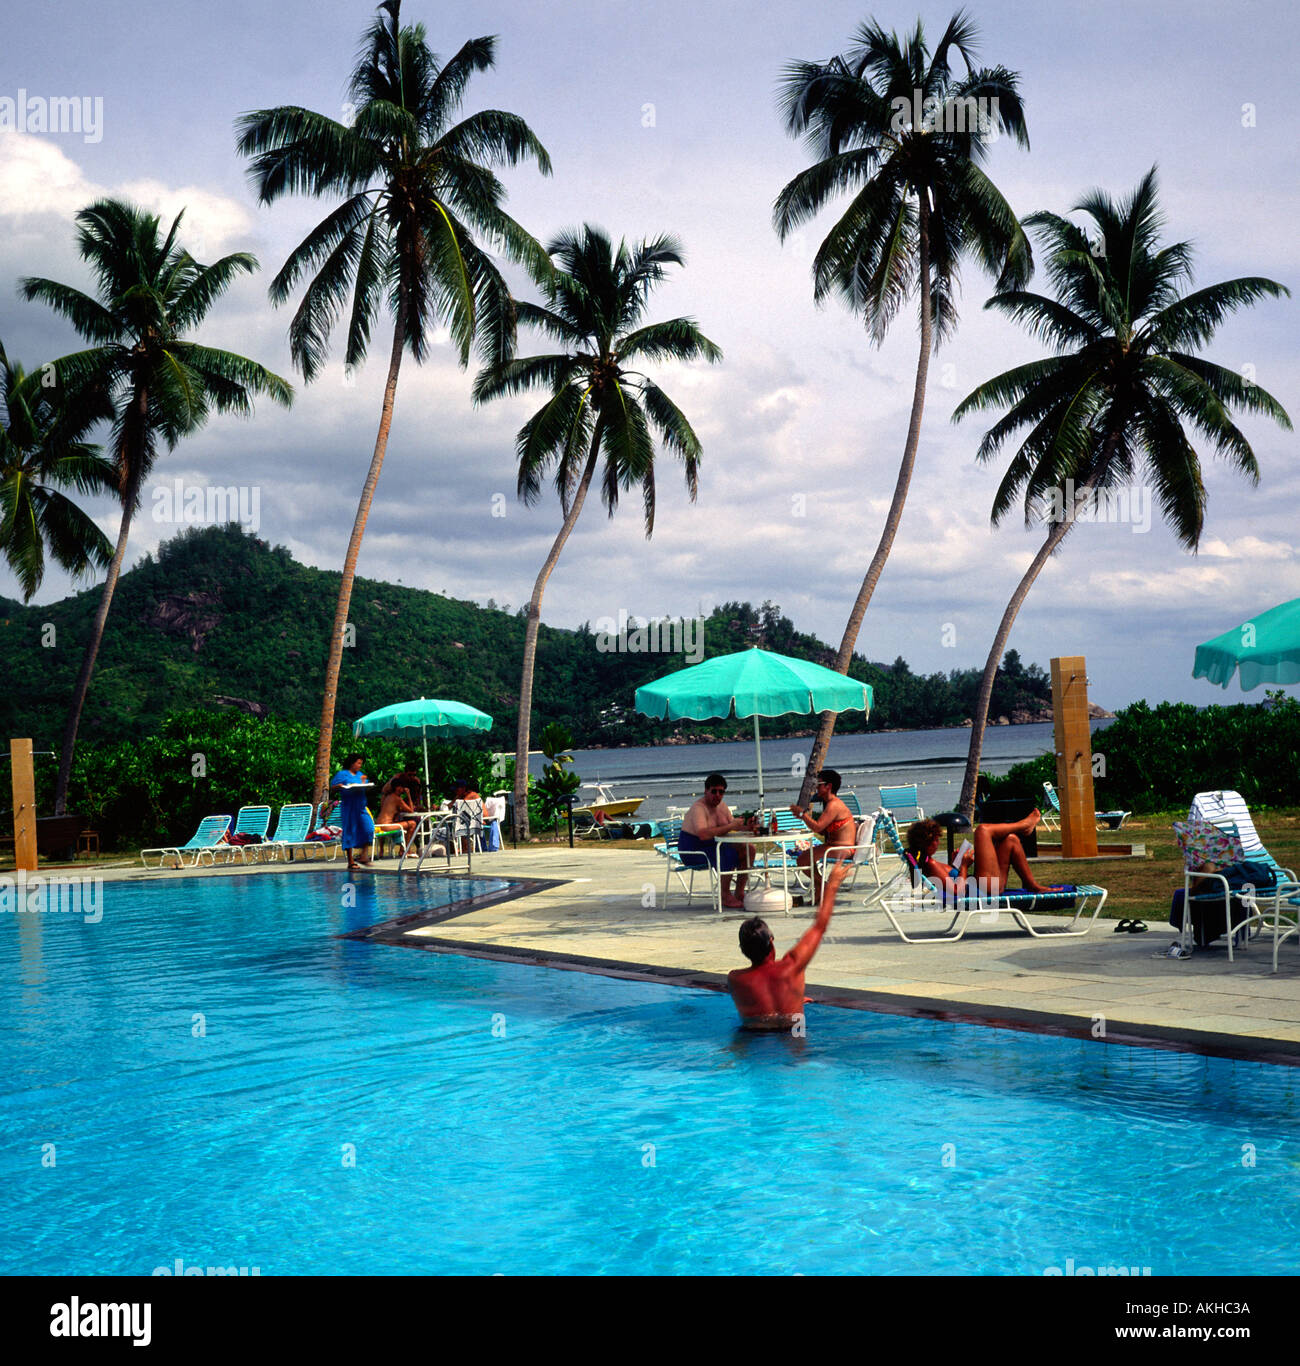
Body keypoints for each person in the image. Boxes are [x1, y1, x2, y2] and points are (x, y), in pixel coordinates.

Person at [728, 859, 851, 1029]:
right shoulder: (791, 967)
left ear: (743, 949)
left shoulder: (735, 979)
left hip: (754, 1033)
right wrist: (832, 885)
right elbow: (819, 926)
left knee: (741, 1048)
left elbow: (762, 995)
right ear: (771, 941)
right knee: (798, 1048)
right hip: (793, 1028)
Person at [906, 810, 1052, 901]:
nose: (938, 843)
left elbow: (949, 882)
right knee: (982, 830)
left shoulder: (929, 863)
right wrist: (963, 865)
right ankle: (1023, 826)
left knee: (1010, 840)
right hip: (981, 889)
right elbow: (958, 891)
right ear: (926, 844)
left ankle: (1031, 885)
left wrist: (954, 864)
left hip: (985, 887)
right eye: (936, 840)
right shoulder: (930, 865)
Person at [681, 773, 757, 909]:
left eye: (721, 792)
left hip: (713, 845)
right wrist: (731, 826)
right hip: (693, 850)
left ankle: (739, 892)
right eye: (714, 791)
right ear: (706, 791)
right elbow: (703, 834)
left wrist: (749, 826)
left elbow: (733, 824)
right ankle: (725, 895)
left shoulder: (722, 806)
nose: (717, 795)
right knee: (727, 854)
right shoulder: (699, 808)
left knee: (749, 849)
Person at [789, 769, 857, 902]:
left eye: (819, 784)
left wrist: (803, 815)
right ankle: (821, 891)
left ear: (829, 786)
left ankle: (825, 887)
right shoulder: (831, 805)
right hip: (834, 847)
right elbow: (822, 830)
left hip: (841, 849)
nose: (816, 787)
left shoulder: (834, 805)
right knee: (806, 858)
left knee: (802, 860)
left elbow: (818, 827)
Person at [330, 754, 376, 872]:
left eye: (361, 763)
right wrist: (339, 786)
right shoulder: (342, 774)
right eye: (358, 763)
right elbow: (332, 788)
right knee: (350, 831)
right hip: (349, 807)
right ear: (352, 763)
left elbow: (365, 786)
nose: (360, 766)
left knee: (369, 828)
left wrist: (366, 785)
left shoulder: (361, 775)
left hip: (361, 806)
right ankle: (350, 861)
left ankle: (363, 855)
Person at [377, 782, 418, 856]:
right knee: (413, 824)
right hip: (386, 826)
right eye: (401, 787)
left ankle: (381, 851)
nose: (403, 789)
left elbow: (396, 809)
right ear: (397, 788)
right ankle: (405, 850)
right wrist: (408, 795)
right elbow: (411, 810)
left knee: (402, 823)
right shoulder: (397, 798)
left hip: (378, 825)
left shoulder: (388, 796)